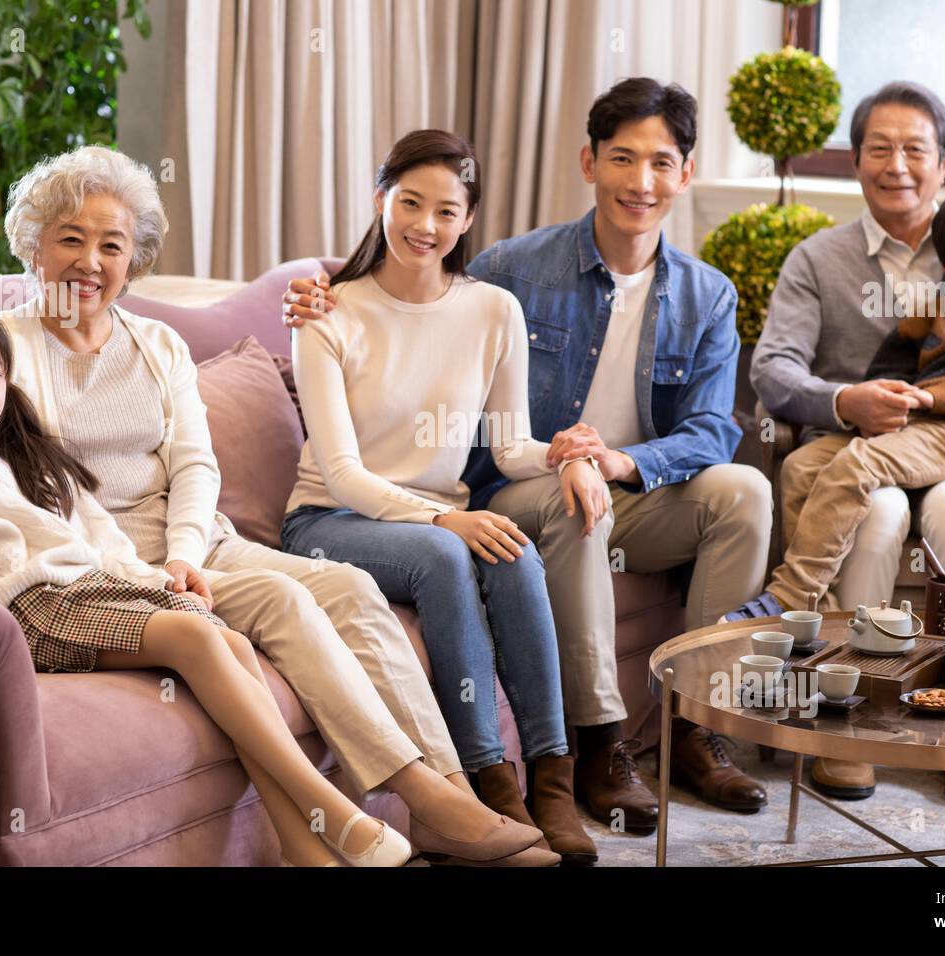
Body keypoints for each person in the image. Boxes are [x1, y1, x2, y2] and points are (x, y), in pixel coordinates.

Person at [0, 145, 545, 867]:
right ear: (32, 247)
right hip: (100, 558)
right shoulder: (3, 347)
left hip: (193, 540)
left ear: (135, 261)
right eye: (70, 239)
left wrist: (187, 553)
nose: (90, 261)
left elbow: (194, 462)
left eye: (111, 245)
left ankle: (439, 790)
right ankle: (423, 802)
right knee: (283, 600)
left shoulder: (157, 343)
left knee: (348, 587)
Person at [284, 79, 775, 827]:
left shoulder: (702, 296)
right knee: (549, 514)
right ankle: (574, 755)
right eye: (622, 158)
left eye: (660, 163)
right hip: (411, 508)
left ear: (686, 174)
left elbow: (709, 431)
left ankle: (688, 731)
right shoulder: (513, 271)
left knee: (744, 490)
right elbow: (401, 300)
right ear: (589, 161)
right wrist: (310, 294)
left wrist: (600, 458)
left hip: (611, 487)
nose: (640, 182)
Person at [0, 296, 413, 866]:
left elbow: (93, 529)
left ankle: (299, 847)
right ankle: (334, 812)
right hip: (29, 607)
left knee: (226, 638)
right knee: (193, 639)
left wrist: (151, 579)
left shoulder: (19, 446)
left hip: (92, 585)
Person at [279, 129, 599, 866]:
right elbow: (345, 471)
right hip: (329, 520)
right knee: (448, 554)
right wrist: (444, 517)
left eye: (446, 211)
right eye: (409, 203)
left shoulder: (493, 311)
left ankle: (551, 778)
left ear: (468, 221)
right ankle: (490, 788)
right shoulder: (326, 316)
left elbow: (509, 447)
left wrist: (566, 453)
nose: (425, 225)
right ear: (379, 199)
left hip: (430, 520)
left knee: (508, 548)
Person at [748, 82, 945, 806]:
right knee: (880, 511)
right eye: (879, 148)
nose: (897, 165)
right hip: (871, 450)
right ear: (856, 160)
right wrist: (844, 401)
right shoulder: (817, 257)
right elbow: (771, 371)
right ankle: (853, 715)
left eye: (916, 149)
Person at [740, 183, 945, 614]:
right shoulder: (938, 308)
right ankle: (823, 608)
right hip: (909, 424)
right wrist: (889, 394)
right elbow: (891, 361)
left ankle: (791, 594)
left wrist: (932, 398)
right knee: (801, 466)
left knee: (856, 465)